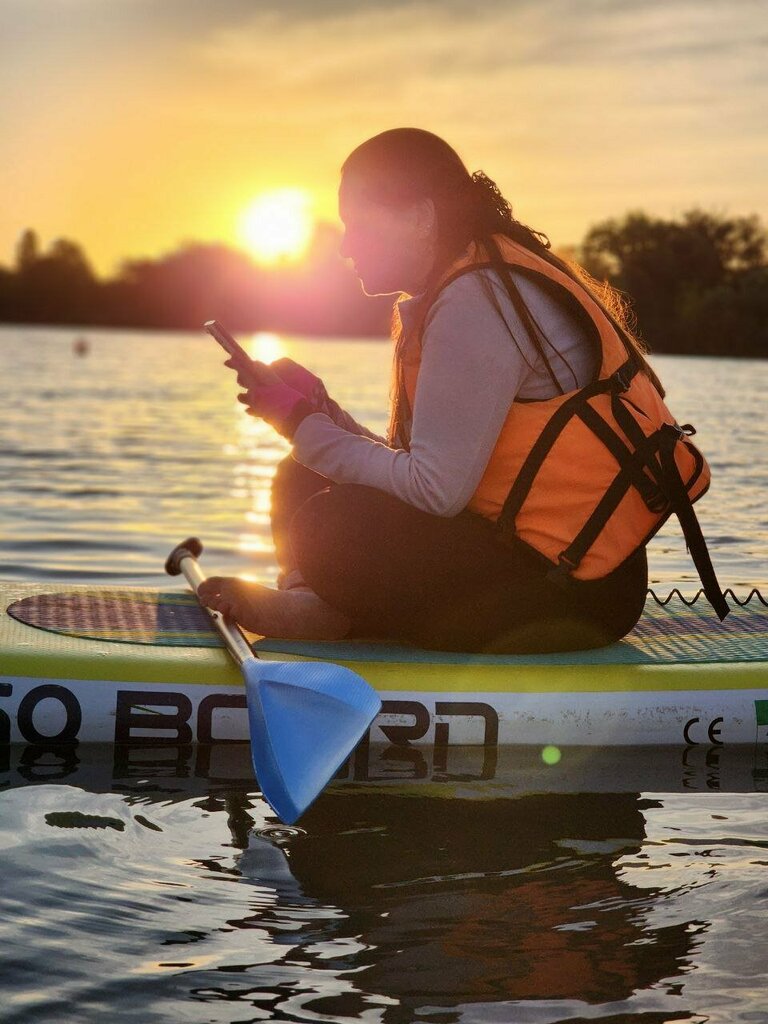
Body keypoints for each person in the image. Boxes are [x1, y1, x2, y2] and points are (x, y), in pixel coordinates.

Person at [198, 128, 726, 652]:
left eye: (358, 225)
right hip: (518, 560)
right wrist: (322, 413)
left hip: (573, 594)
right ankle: (315, 603)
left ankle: (331, 609)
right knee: (304, 470)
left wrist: (300, 423)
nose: (345, 246)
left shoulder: (478, 299)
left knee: (329, 523)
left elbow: (434, 490)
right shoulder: (470, 280)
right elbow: (422, 473)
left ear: (422, 217)